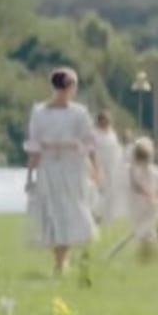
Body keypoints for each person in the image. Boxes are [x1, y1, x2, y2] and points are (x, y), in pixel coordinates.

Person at [25, 67, 101, 276]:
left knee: (69, 209)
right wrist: (31, 173)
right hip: (51, 166)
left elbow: (89, 142)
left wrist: (94, 167)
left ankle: (62, 258)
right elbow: (35, 145)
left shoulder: (79, 113)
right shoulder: (40, 112)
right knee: (53, 211)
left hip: (72, 166)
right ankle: (60, 259)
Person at [125, 137, 158, 261]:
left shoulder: (152, 171)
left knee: (148, 229)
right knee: (145, 229)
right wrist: (150, 195)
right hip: (140, 205)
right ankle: (146, 253)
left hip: (150, 205)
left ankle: (147, 254)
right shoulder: (133, 170)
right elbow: (135, 186)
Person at [92, 111, 127, 223]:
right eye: (105, 120)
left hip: (113, 167)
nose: (107, 123)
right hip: (99, 166)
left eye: (108, 120)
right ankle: (96, 214)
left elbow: (117, 149)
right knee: (98, 191)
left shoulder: (112, 133)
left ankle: (109, 215)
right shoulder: (94, 134)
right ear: (100, 121)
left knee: (112, 191)